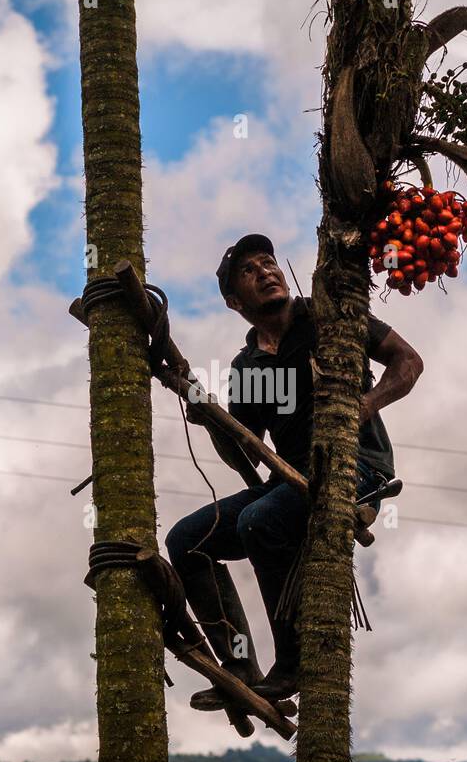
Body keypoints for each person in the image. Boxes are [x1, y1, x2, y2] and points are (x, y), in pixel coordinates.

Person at [165, 233, 424, 706]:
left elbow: (409, 361)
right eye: (249, 271)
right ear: (232, 300)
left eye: (268, 262)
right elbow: (245, 453)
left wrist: (363, 408)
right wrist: (211, 422)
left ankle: (292, 663)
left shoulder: (326, 319)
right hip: (290, 478)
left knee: (258, 520)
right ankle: (240, 661)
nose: (265, 271)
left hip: (357, 469)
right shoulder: (249, 366)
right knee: (186, 540)